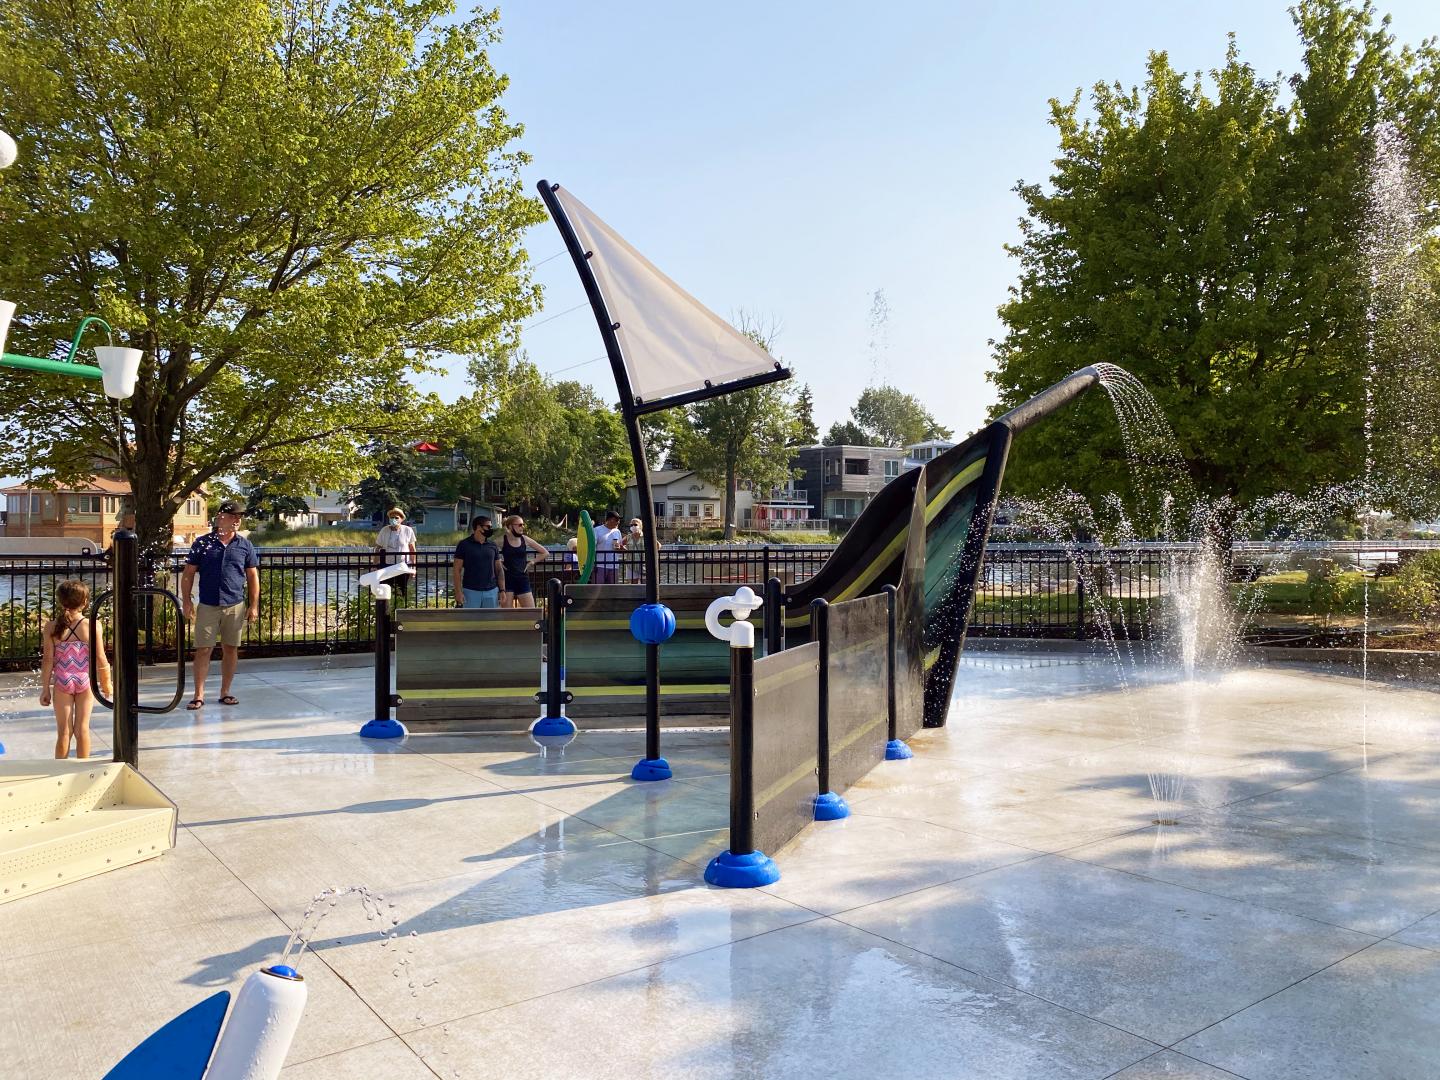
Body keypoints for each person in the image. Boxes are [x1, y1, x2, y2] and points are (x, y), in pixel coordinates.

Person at [181, 500, 259, 710]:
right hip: (208, 604)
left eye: (239, 517)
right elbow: (188, 574)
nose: (237, 520)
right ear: (221, 517)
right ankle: (198, 695)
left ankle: (225, 692)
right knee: (203, 649)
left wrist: (253, 605)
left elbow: (252, 576)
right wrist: (186, 601)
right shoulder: (203, 543)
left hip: (235, 604)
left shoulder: (244, 545)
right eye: (233, 516)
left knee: (230, 649)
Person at [39, 580, 110, 759]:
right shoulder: (92, 625)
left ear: (61, 602)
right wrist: (106, 683)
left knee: (64, 732)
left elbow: (48, 660)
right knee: (82, 730)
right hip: (85, 680)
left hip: (63, 681)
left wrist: (45, 689)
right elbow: (101, 658)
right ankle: (82, 772)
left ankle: (58, 772)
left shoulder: (51, 627)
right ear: (85, 602)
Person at [453, 516, 505, 608]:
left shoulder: (493, 545)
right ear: (478, 527)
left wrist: (502, 590)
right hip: (470, 591)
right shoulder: (464, 545)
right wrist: (458, 592)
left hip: (491, 591)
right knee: (471, 621)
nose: (490, 529)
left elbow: (499, 570)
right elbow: (457, 570)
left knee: (490, 621)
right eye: (488, 527)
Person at [498, 514, 550, 607]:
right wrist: (498, 562)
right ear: (510, 526)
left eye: (523, 524)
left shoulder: (524, 539)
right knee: (506, 614)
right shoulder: (502, 540)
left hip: (522, 578)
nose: (522, 527)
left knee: (531, 612)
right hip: (507, 579)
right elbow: (488, 549)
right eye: (519, 525)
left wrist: (532, 562)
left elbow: (545, 552)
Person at [374, 507, 417, 602]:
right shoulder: (384, 530)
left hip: (402, 565)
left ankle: (400, 610)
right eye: (392, 517)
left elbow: (412, 549)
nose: (394, 519)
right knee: (385, 590)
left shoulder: (408, 530)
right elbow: (378, 548)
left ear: (401, 519)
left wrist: (413, 567)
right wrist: (375, 564)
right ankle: (385, 612)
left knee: (401, 591)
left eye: (396, 517)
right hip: (386, 565)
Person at [619, 516, 658, 583]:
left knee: (645, 583)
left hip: (644, 563)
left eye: (635, 524)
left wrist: (650, 554)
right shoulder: (628, 537)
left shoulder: (646, 536)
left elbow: (658, 546)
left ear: (640, 525)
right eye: (631, 525)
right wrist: (623, 548)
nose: (633, 526)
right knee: (633, 584)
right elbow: (620, 545)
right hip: (631, 563)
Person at [592, 510, 623, 585]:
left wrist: (620, 548)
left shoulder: (617, 531)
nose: (618, 522)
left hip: (614, 565)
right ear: (609, 520)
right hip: (600, 565)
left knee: (613, 590)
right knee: (597, 589)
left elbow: (620, 545)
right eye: (616, 520)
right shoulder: (597, 530)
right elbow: (592, 547)